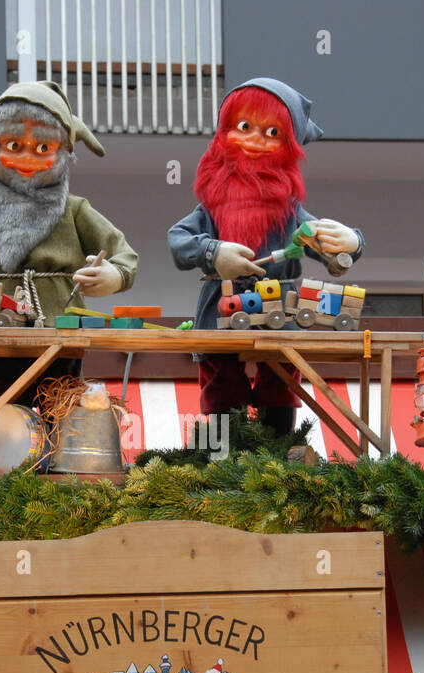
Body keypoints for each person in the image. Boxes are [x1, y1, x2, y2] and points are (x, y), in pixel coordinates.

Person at [168, 78, 363, 434]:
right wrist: (213, 251)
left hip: (281, 312)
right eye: (243, 127)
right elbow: (179, 240)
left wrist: (350, 241)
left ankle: (277, 452)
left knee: (281, 381)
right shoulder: (212, 205)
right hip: (220, 311)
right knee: (220, 383)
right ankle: (220, 456)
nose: (255, 140)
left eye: (271, 132)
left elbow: (324, 244)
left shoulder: (289, 213)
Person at [0, 80, 139, 407]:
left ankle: (56, 456)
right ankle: (4, 457)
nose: (28, 158)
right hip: (2, 332)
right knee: (3, 407)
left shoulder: (74, 211)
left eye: (43, 148)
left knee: (61, 405)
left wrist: (113, 275)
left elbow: (124, 254)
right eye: (13, 145)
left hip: (61, 331)